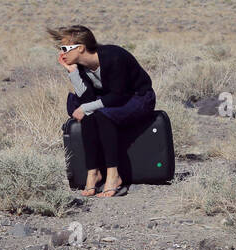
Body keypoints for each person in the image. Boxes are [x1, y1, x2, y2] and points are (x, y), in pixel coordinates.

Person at [49, 25, 156, 197]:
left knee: (102, 114)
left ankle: (114, 176)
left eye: (64, 48)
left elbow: (118, 97)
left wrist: (85, 107)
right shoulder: (82, 66)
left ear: (81, 48)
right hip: (110, 98)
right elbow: (87, 99)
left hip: (139, 98)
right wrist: (72, 72)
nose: (62, 54)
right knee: (87, 113)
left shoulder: (113, 57)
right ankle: (93, 173)